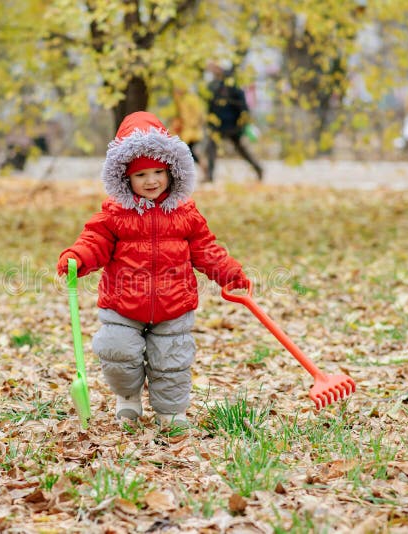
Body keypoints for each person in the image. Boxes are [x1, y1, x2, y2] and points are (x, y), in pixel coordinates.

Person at [57, 111, 250, 428]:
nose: (151, 180)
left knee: (171, 361)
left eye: (159, 171)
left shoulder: (185, 213)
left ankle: (171, 412)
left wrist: (229, 272)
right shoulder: (115, 213)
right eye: (141, 174)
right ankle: (128, 397)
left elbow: (205, 247)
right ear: (126, 178)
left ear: (172, 171)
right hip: (123, 304)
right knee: (117, 351)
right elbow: (95, 240)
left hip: (173, 305)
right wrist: (78, 256)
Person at [205, 64, 263, 182]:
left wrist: (241, 125)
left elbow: (243, 109)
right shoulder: (215, 87)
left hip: (232, 126)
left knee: (241, 150)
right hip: (218, 126)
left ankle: (258, 168)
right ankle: (210, 175)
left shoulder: (235, 89)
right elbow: (211, 107)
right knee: (211, 148)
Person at [171, 84, 205, 164]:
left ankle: (203, 164)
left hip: (191, 131)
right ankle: (203, 165)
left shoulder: (190, 99)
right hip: (186, 131)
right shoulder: (181, 99)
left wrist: (194, 124)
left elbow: (198, 114)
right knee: (188, 151)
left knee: (188, 151)